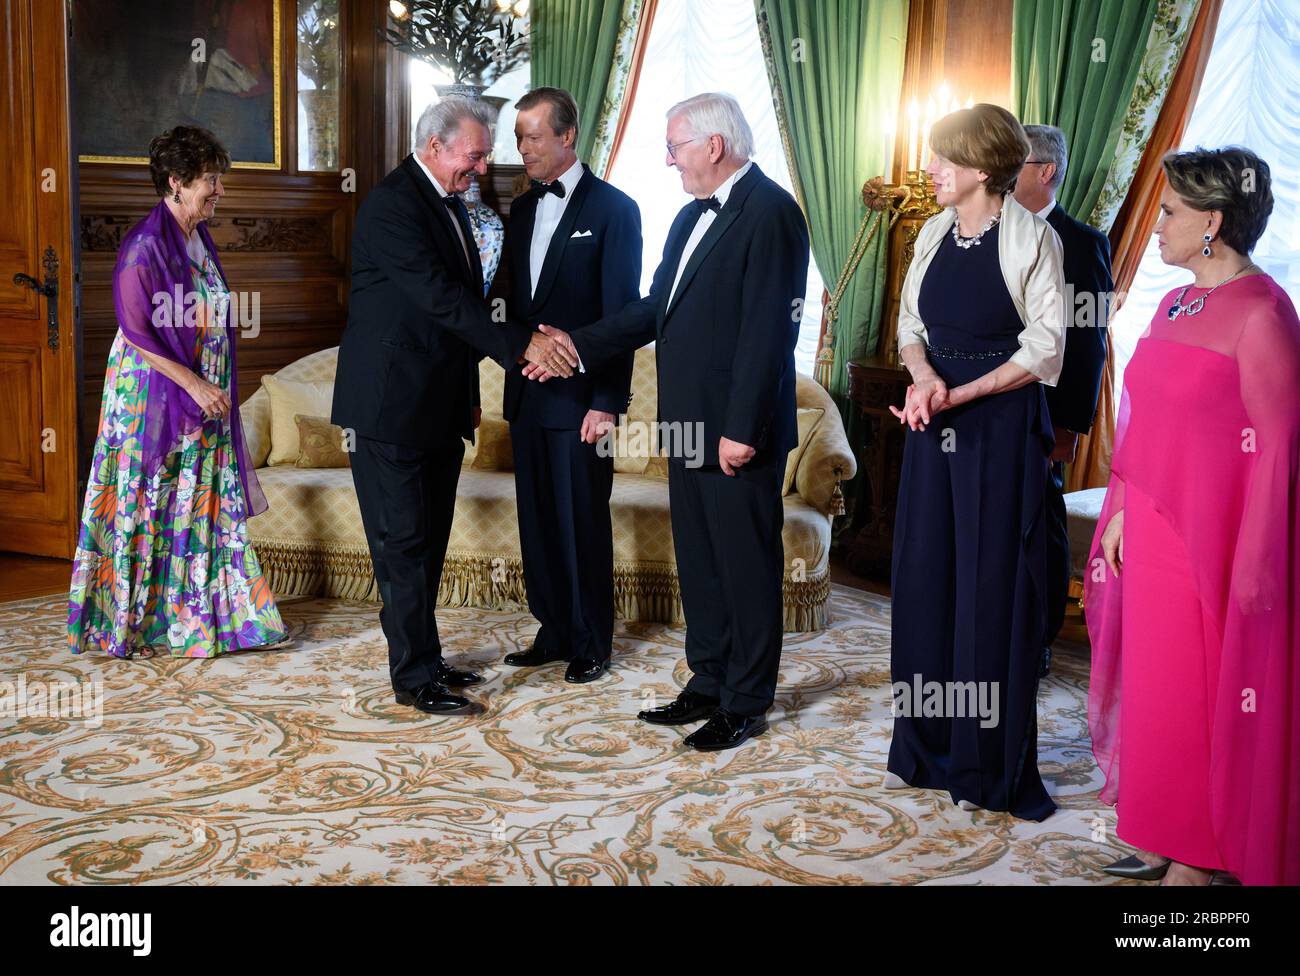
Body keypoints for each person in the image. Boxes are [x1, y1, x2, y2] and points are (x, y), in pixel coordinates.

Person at [524, 92, 809, 750]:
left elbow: (768, 335)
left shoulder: (772, 214)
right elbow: (656, 308)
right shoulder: (686, 218)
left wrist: (742, 428)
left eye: (675, 145)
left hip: (738, 431)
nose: (667, 157)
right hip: (685, 426)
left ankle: (746, 700)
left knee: (745, 567)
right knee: (703, 567)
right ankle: (707, 682)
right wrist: (577, 342)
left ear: (714, 146)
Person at [1087, 147, 1299, 886]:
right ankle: (1157, 829)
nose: (1156, 227)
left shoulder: (1265, 313)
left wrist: (1259, 560)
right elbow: (1148, 421)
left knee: (1209, 697)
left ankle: (1201, 859)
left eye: (1170, 213)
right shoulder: (1177, 303)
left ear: (1211, 223)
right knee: (1158, 694)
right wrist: (1119, 511)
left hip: (1216, 541)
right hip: (1149, 529)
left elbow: (1278, 450)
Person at [331, 98, 576, 716]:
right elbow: (443, 301)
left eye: (485, 152)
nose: (483, 164)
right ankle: (413, 679)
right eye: (474, 153)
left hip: (437, 410)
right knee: (403, 546)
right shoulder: (391, 206)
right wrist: (525, 344)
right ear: (435, 146)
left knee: (428, 542)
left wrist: (468, 398)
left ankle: (427, 658)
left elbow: (461, 313)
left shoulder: (453, 205)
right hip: (390, 412)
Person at [887, 104, 1065, 820]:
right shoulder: (932, 230)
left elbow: (1047, 347)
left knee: (988, 595)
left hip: (998, 432)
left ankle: (985, 761)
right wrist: (924, 379)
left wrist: (960, 392)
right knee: (926, 581)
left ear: (984, 168)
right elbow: (908, 325)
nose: (930, 170)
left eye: (943, 160)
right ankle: (926, 748)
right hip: (935, 426)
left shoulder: (1033, 239)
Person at [68, 125, 286, 658]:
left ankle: (202, 619)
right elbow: (139, 330)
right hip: (154, 396)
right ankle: (133, 623)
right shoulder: (144, 245)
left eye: (219, 180)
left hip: (202, 396)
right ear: (176, 183)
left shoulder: (196, 236)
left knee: (197, 500)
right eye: (211, 181)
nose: (220, 191)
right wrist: (195, 383)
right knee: (151, 501)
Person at [499, 87, 642, 685]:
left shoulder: (616, 209)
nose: (523, 148)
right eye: (518, 137)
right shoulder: (523, 209)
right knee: (537, 520)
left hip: (584, 402)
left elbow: (622, 316)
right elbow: (509, 300)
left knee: (582, 519)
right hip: (528, 395)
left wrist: (607, 404)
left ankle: (591, 640)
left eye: (533, 135)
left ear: (566, 137)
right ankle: (553, 628)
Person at [1013, 124, 1112, 672]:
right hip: (993, 407)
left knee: (1039, 526)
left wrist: (1070, 427)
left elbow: (1088, 344)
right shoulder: (997, 232)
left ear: (1046, 172)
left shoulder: (1083, 244)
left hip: (1048, 416)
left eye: (1018, 165)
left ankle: (1041, 633)